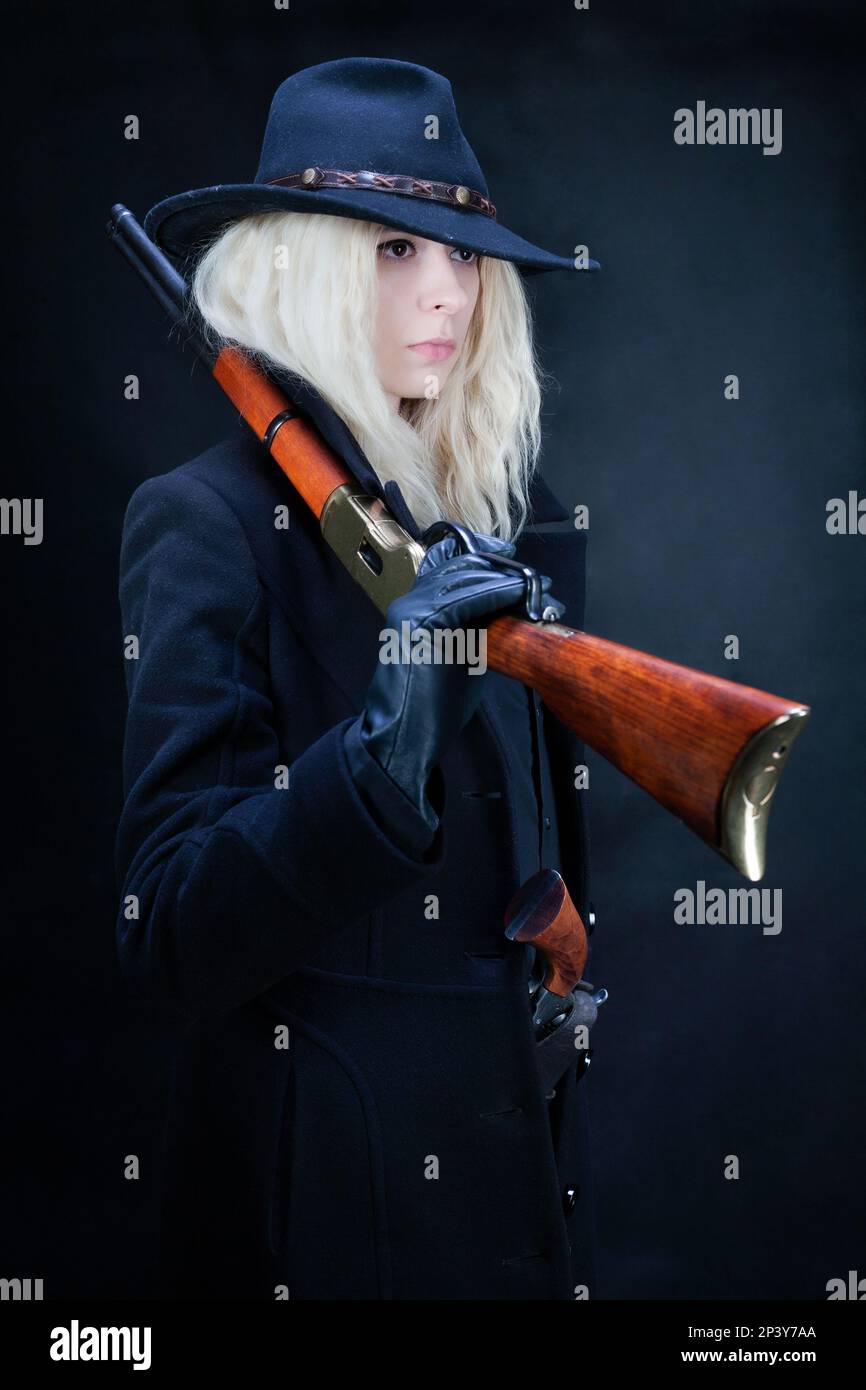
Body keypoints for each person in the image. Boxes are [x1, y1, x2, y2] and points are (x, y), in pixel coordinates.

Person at [115, 56, 602, 1300]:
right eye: (394, 249)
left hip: (512, 1199)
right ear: (301, 272)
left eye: (462, 253)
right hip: (331, 1222)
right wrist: (382, 752)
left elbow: (538, 848)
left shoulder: (507, 520)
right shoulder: (204, 523)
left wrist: (560, 987)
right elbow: (169, 935)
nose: (448, 291)